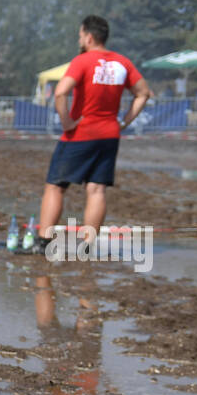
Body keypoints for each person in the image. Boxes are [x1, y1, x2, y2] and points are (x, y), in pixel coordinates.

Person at [31, 15, 150, 258]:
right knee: (96, 190)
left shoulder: (83, 61)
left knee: (55, 186)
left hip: (81, 133)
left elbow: (61, 93)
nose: (79, 39)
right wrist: (125, 121)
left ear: (89, 36)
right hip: (109, 134)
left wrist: (66, 122)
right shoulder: (122, 63)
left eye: (80, 35)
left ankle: (43, 242)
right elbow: (144, 93)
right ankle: (87, 247)